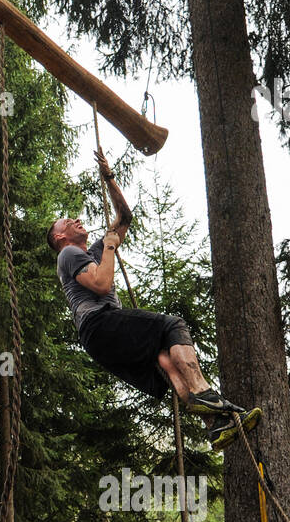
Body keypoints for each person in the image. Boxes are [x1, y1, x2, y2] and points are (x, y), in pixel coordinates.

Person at [46, 149, 261, 451]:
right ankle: (206, 394)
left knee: (165, 359)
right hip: (99, 324)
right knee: (173, 325)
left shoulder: (92, 251)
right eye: (69, 222)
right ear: (59, 238)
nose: (77, 220)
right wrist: (109, 247)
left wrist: (109, 178)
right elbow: (101, 283)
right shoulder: (69, 254)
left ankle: (216, 426)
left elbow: (124, 218)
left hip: (101, 339)